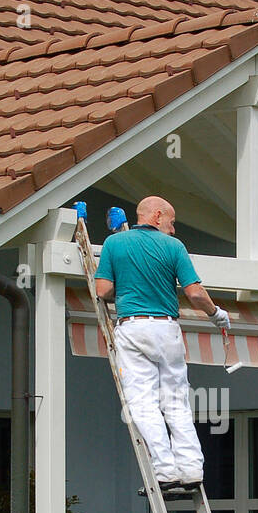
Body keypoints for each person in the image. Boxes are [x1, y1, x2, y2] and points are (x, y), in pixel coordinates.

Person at [94, 196, 230, 490]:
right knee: (176, 403)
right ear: (156, 215)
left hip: (133, 327)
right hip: (167, 330)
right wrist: (216, 314)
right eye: (172, 220)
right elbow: (195, 293)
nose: (174, 228)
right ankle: (192, 469)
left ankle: (166, 471)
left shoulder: (114, 244)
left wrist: (128, 283)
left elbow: (102, 290)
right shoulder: (174, 248)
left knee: (143, 404)